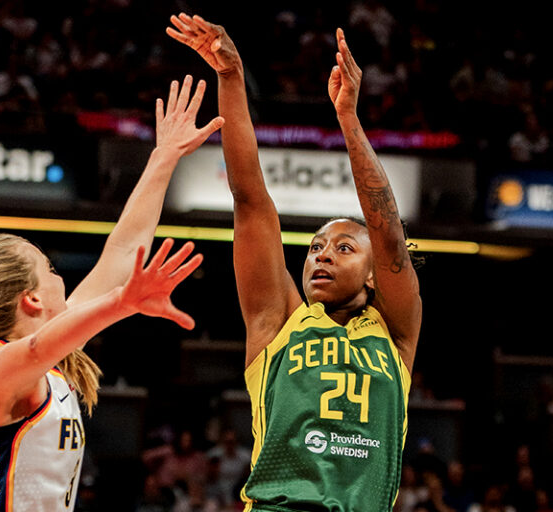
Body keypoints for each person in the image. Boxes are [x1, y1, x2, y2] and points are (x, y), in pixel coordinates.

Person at [0, 75, 223, 512]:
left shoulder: (52, 354)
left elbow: (122, 251)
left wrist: (164, 156)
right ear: (32, 299)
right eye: (50, 269)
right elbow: (37, 348)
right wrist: (120, 303)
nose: (60, 277)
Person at [168, 15, 421, 511]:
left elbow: (389, 235)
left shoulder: (395, 334)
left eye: (344, 248)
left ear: (373, 274)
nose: (323, 254)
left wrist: (348, 120)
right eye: (316, 247)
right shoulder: (279, 321)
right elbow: (250, 200)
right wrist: (231, 78)